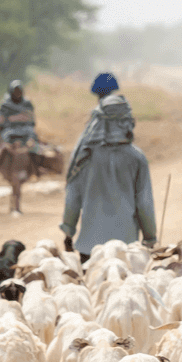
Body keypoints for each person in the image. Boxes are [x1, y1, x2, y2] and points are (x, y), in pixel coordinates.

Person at [59, 72, 157, 256]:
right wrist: (150, 238)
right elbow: (144, 203)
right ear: (128, 121)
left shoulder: (84, 154)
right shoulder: (137, 158)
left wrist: (68, 231)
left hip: (89, 249)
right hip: (127, 251)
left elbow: (73, 195)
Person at [0, 79, 38, 146]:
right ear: (11, 91)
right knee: (5, 142)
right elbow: (0, 123)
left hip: (25, 129)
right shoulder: (5, 105)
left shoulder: (27, 104)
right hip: (9, 129)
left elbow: (32, 122)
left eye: (19, 91)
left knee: (32, 139)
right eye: (15, 91)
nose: (17, 93)